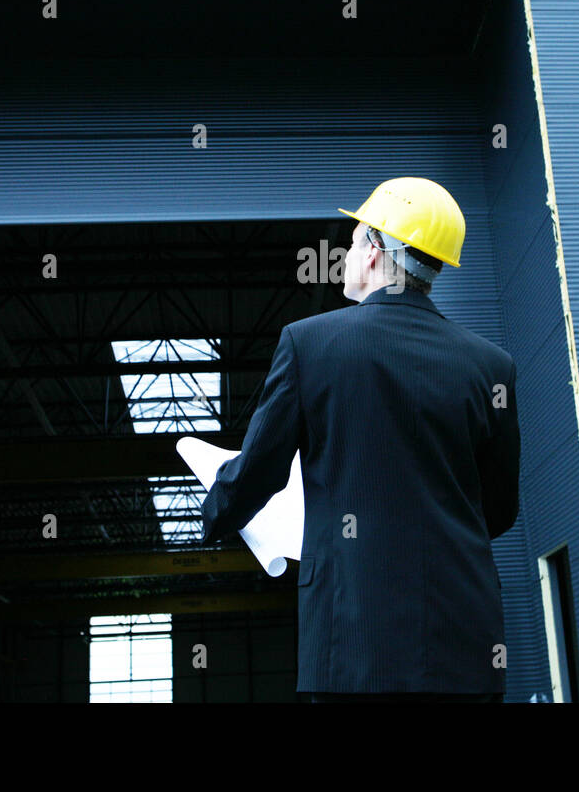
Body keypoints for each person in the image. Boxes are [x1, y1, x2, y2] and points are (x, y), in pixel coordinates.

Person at [200, 177, 521, 702]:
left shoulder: (309, 344)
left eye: (352, 242)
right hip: (466, 653)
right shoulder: (493, 367)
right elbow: (499, 511)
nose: (347, 255)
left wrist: (214, 513)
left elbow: (259, 472)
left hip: (354, 650)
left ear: (375, 249)